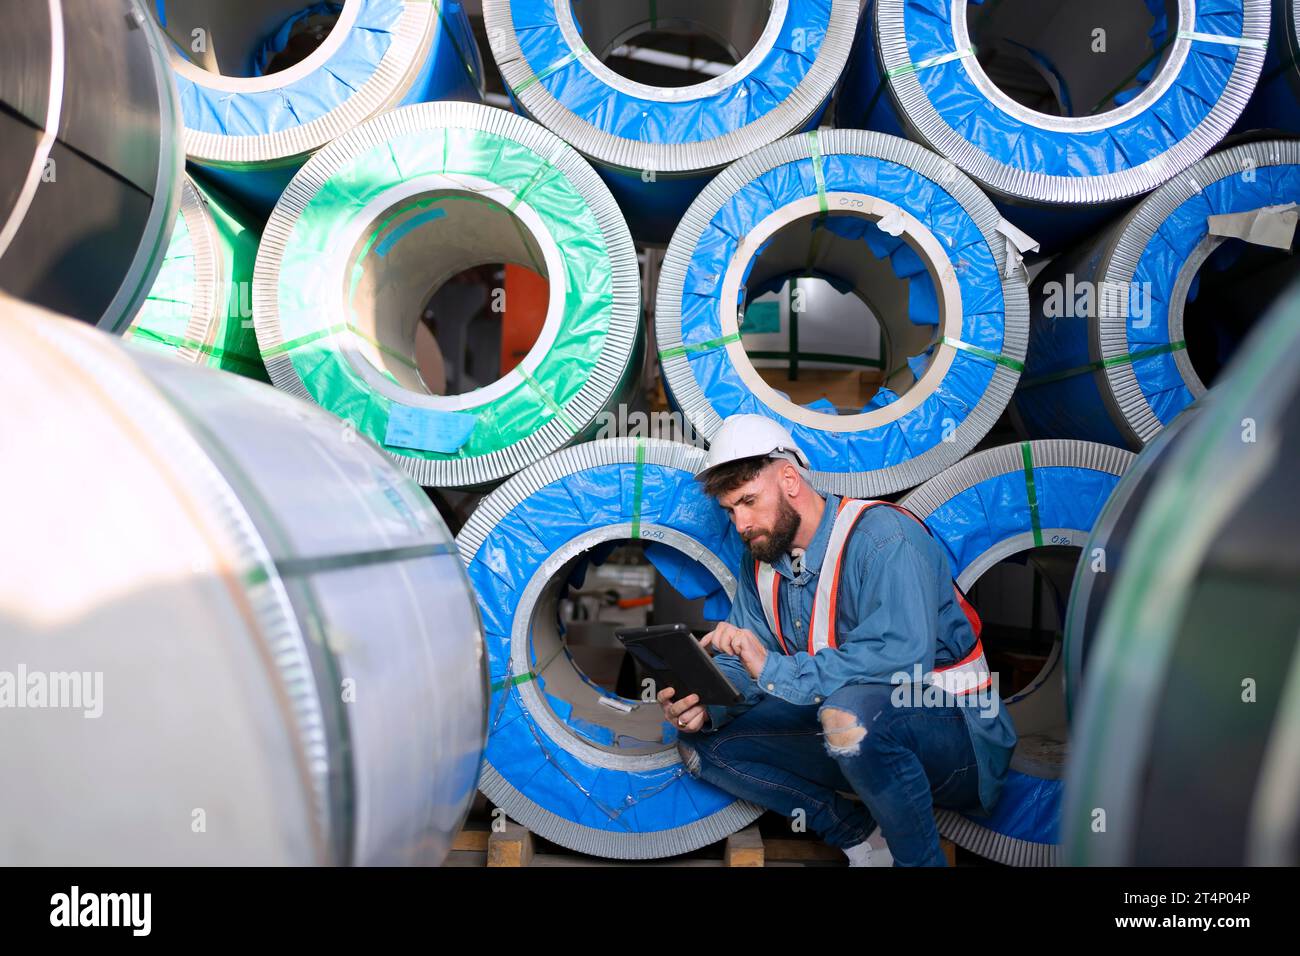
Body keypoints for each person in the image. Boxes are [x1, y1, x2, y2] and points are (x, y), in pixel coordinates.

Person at [657, 414, 1017, 866]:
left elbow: (899, 661)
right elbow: (749, 665)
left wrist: (772, 667)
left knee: (852, 711)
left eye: (748, 502)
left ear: (789, 479)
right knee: (706, 744)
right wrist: (707, 700)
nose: (741, 523)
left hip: (958, 742)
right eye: (731, 511)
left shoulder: (886, 537)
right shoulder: (763, 565)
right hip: (851, 733)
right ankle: (863, 840)